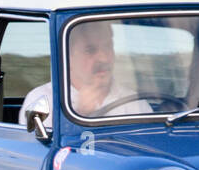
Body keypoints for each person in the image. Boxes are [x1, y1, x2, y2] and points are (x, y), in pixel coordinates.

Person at [20, 23, 152, 128]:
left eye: (108, 47)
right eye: (90, 50)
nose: (104, 58)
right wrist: (80, 114)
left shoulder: (135, 103)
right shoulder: (42, 101)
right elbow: (39, 155)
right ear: (67, 57)